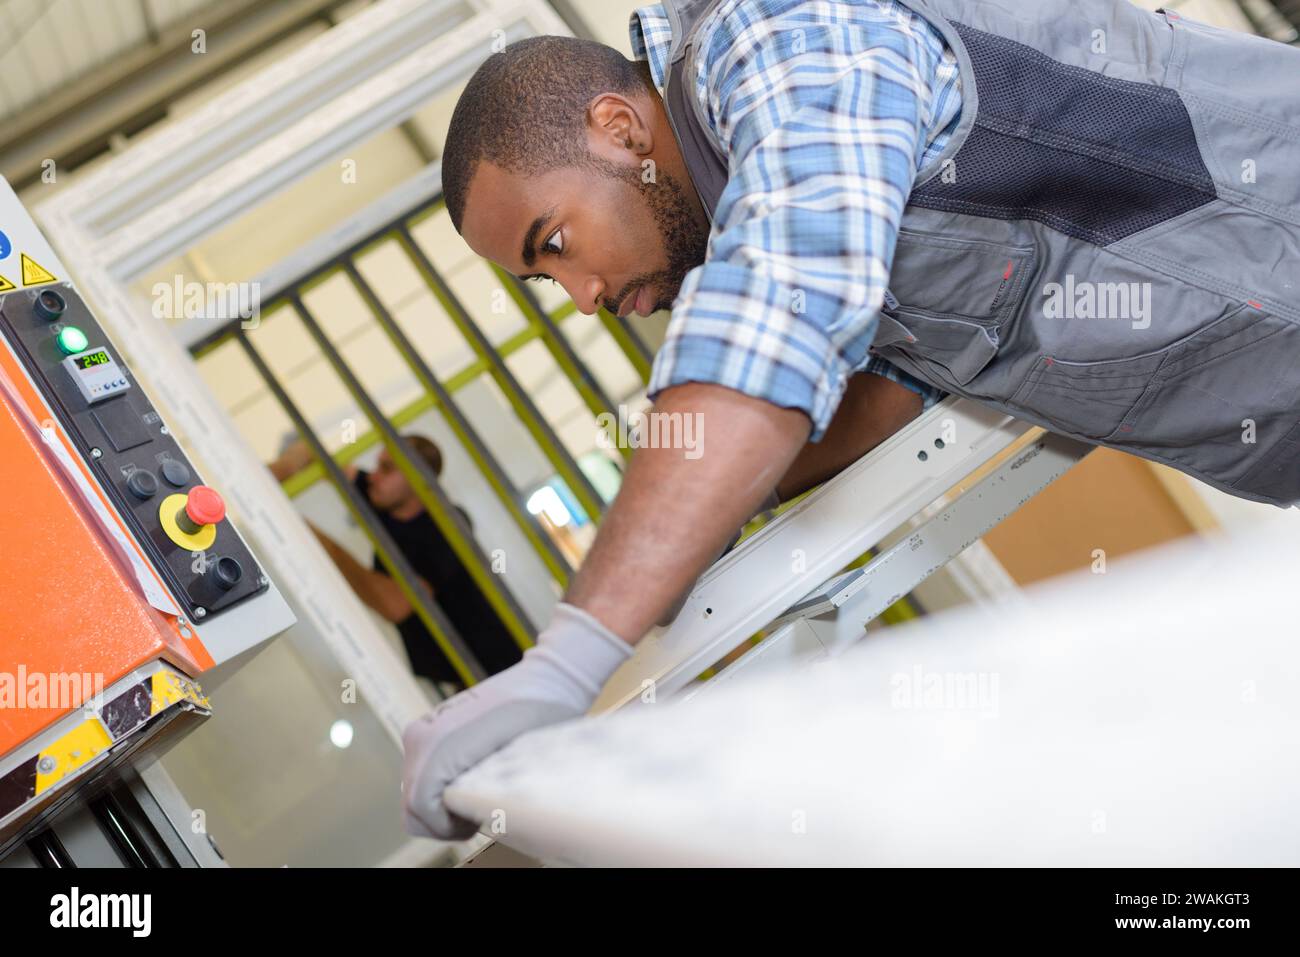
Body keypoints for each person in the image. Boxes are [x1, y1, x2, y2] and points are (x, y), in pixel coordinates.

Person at [401, 0, 1300, 839]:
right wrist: (684, 527)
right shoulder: (758, 191)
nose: (584, 295)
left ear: (618, 128)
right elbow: (880, 390)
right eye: (546, 282)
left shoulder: (782, 37)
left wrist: (565, 663)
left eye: (553, 244)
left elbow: (781, 313)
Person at [270, 434, 522, 692]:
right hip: (465, 680)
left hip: (502, 672)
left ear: (417, 479)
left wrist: (303, 531)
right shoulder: (384, 499)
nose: (373, 475)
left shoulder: (447, 523)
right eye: (379, 465)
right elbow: (314, 452)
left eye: (387, 469)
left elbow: (395, 604)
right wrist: (279, 472)